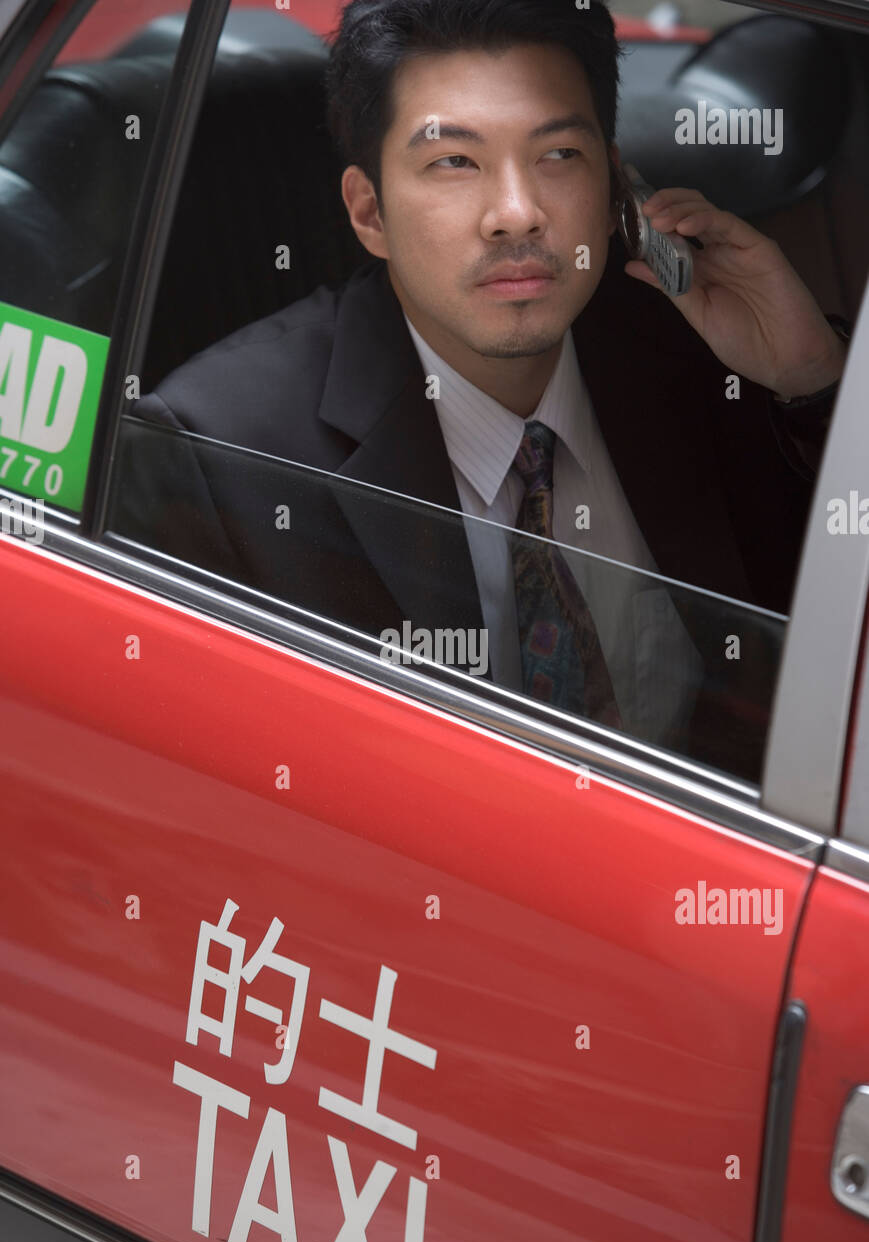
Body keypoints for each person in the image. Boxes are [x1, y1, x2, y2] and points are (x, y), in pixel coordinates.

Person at [121, 0, 847, 771]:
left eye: (558, 155)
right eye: (454, 161)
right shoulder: (217, 449)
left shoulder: (697, 351)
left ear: (611, 190)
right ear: (369, 212)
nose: (515, 214)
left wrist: (813, 380)